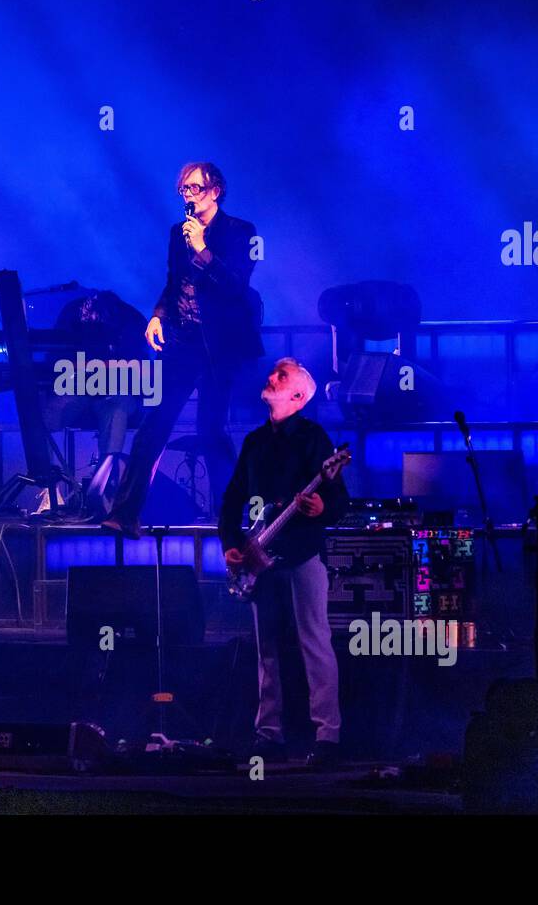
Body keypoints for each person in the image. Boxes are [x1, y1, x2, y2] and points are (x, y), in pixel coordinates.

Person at [102, 161, 263, 537]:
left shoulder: (241, 232)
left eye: (194, 188)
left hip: (221, 346)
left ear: (215, 191)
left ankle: (229, 518)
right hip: (183, 342)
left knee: (211, 429)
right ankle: (126, 513)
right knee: (155, 423)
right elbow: (173, 283)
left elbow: (237, 286)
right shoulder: (178, 233)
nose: (187, 195)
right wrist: (157, 315)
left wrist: (203, 249)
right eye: (183, 189)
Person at [220, 358, 349, 767]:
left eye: (282, 375)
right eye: (274, 371)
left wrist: (319, 507)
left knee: (315, 642)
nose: (271, 377)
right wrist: (230, 543)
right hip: (259, 555)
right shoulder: (255, 442)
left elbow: (339, 501)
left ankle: (328, 736)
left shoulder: (314, 439)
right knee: (267, 648)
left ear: (297, 396)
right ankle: (268, 734)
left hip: (303, 554)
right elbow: (232, 499)